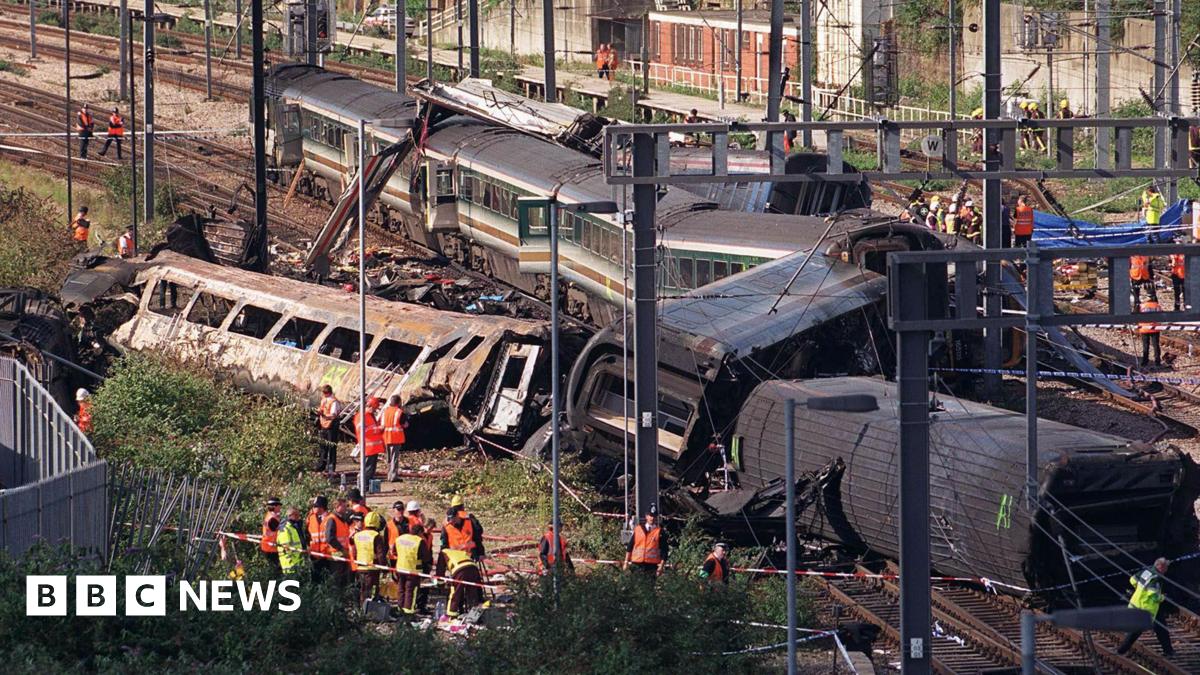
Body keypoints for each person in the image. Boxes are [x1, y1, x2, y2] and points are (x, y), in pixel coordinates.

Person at [1117, 558, 1174, 657]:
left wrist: (1139, 590)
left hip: (1137, 604)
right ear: (1160, 566)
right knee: (1136, 632)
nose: (1166, 570)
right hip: (1147, 608)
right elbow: (1154, 595)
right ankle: (1121, 651)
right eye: (1166, 567)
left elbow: (1133, 580)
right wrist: (1163, 597)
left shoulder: (1147, 571)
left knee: (1161, 628)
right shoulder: (1157, 578)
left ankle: (1168, 651)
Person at [394, 522, 432, 615]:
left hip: (400, 568)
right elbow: (426, 557)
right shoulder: (419, 541)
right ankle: (408, 612)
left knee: (401, 589)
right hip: (413, 570)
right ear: (419, 532)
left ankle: (400, 609)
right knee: (411, 591)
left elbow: (394, 551)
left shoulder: (400, 538)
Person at [350, 511, 387, 607]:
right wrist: (384, 568)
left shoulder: (357, 535)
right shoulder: (376, 536)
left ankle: (361, 611)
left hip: (360, 568)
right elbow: (380, 554)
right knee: (372, 592)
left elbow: (354, 553)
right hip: (372, 569)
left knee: (362, 591)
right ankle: (369, 612)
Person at [436, 547, 484, 618]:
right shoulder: (460, 552)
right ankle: (474, 616)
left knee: (455, 592)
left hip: (459, 569)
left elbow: (440, 570)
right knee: (472, 592)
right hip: (473, 568)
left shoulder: (443, 552)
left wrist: (440, 583)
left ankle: (451, 615)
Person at [624, 506, 667, 578]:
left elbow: (664, 551)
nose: (652, 518)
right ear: (646, 516)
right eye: (650, 516)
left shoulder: (660, 532)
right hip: (637, 564)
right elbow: (629, 547)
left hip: (651, 566)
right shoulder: (638, 529)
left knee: (649, 587)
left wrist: (661, 566)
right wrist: (626, 562)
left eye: (654, 516)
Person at [353, 396, 386, 483]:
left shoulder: (369, 416)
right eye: (374, 409)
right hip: (368, 447)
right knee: (367, 469)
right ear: (370, 406)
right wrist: (379, 429)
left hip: (372, 448)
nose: (375, 411)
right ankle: (364, 486)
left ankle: (366, 486)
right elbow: (363, 431)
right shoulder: (361, 417)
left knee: (370, 469)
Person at [443, 496, 486, 561]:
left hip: (454, 558)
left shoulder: (446, 523)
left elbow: (443, 544)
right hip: (469, 556)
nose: (452, 522)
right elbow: (478, 536)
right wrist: (481, 553)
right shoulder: (470, 519)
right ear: (462, 506)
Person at [323, 498, 352, 587]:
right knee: (336, 582)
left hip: (343, 555)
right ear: (336, 507)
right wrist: (342, 549)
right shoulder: (332, 519)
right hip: (336, 556)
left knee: (344, 582)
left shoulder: (342, 520)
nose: (345, 508)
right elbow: (330, 538)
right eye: (343, 506)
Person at [316, 385, 341, 476]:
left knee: (331, 446)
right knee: (323, 446)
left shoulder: (334, 401)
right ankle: (321, 465)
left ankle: (330, 466)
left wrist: (325, 416)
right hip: (324, 424)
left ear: (327, 392)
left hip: (332, 425)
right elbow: (322, 409)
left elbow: (333, 414)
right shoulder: (324, 400)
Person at [381, 395, 407, 482]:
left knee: (388, 458)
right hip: (395, 437)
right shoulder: (399, 412)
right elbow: (405, 424)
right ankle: (393, 476)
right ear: (399, 402)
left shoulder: (385, 411)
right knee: (394, 458)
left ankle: (389, 475)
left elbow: (383, 425)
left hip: (386, 437)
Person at [276, 506, 307, 576]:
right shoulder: (285, 528)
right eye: (296, 515)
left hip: (298, 563)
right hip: (290, 565)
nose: (298, 517)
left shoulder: (294, 527)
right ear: (290, 515)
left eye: (298, 515)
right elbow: (286, 547)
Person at [306, 496, 330, 583]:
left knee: (325, 579)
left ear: (322, 507)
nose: (314, 508)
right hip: (314, 554)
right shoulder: (310, 518)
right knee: (315, 579)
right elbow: (307, 533)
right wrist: (308, 546)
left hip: (326, 555)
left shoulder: (330, 518)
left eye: (316, 506)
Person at [1138, 299, 1163, 368]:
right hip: (1155, 328)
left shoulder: (1142, 306)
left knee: (1145, 346)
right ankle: (1157, 362)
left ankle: (1145, 362)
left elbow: (1137, 315)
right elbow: (1161, 316)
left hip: (1144, 328)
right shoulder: (1157, 306)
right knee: (1156, 345)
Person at [261, 497, 283, 574]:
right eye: (279, 505)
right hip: (271, 548)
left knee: (274, 570)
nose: (280, 507)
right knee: (277, 571)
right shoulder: (272, 519)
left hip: (268, 547)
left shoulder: (269, 516)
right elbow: (282, 530)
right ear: (274, 506)